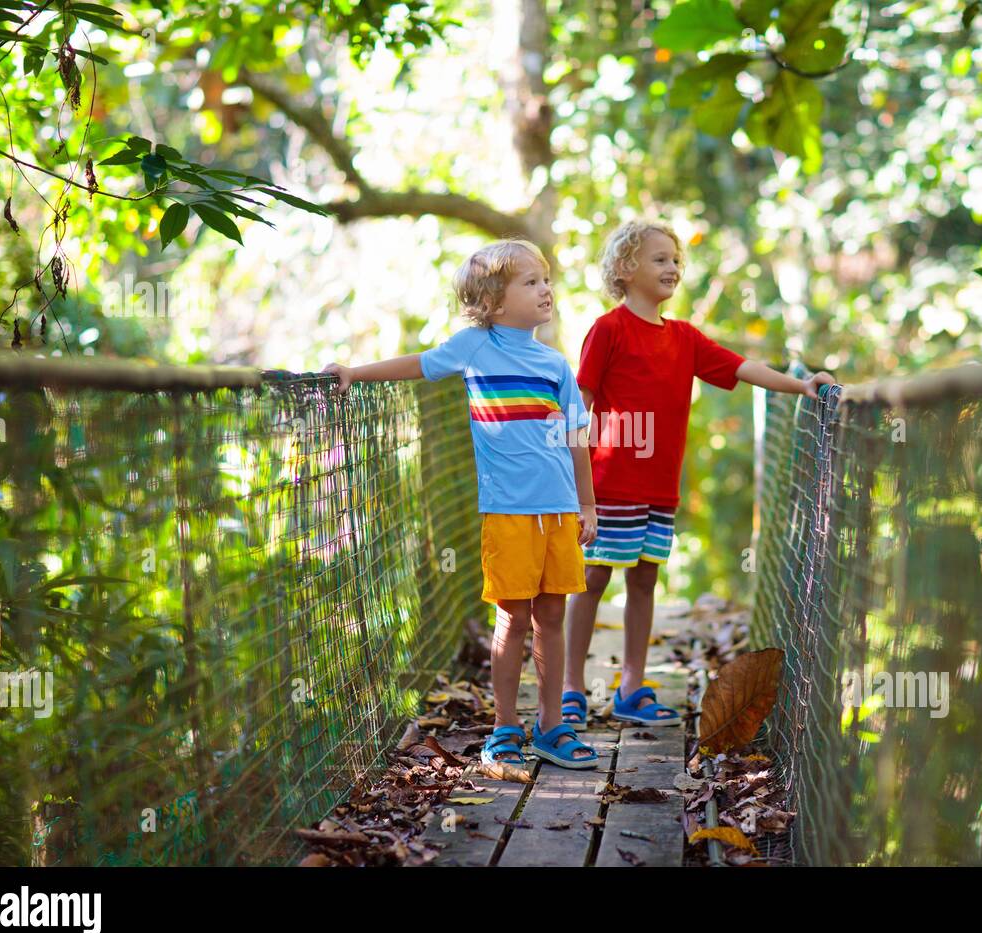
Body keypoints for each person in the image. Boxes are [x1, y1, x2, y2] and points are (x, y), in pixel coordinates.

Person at [323, 239, 601, 769]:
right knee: (512, 619)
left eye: (546, 280)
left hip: (561, 513)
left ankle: (551, 726)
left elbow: (576, 439)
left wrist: (587, 506)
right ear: (494, 302)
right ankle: (504, 728)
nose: (546, 289)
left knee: (552, 615)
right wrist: (355, 372)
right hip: (508, 513)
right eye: (531, 282)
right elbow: (421, 365)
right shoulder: (474, 346)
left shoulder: (556, 364)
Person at [561, 220, 835, 729]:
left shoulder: (684, 338)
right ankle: (571, 689)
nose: (673, 267)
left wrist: (802, 387)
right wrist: (578, 489)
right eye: (660, 259)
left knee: (644, 581)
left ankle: (631, 688)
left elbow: (740, 368)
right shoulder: (607, 329)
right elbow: (582, 405)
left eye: (675, 260)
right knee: (592, 579)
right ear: (625, 269)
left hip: (658, 489)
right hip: (608, 484)